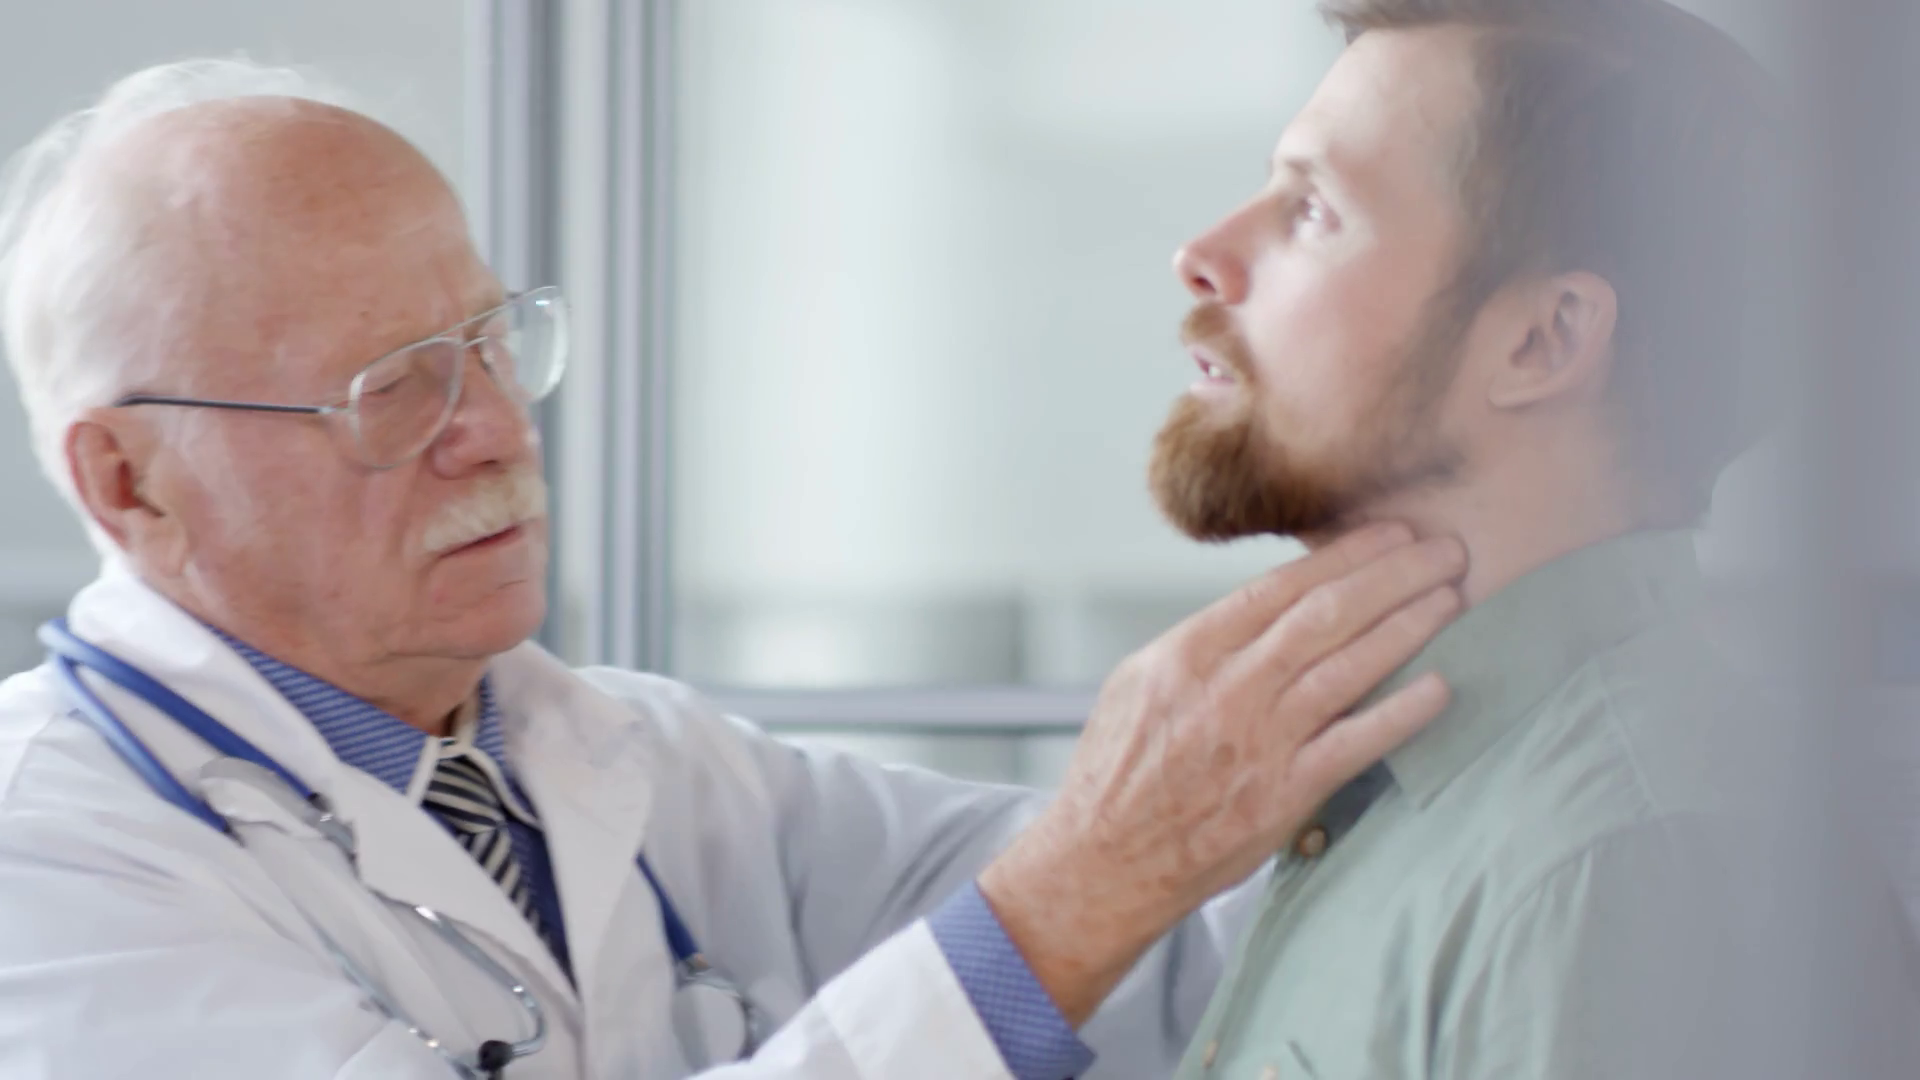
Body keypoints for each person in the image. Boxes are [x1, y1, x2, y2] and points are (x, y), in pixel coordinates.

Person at [0, 61, 1469, 1079]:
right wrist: (1090, 885)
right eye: (393, 390)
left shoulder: (627, 758)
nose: (500, 433)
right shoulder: (49, 869)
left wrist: (1460, 696)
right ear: (127, 482)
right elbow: (1071, 900)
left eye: (494, 342)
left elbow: (1170, 947)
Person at [1150, 2, 1918, 1077]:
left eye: (1314, 209)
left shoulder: (1631, 871)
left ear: (1544, 340)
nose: (1202, 255)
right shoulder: (1402, 807)